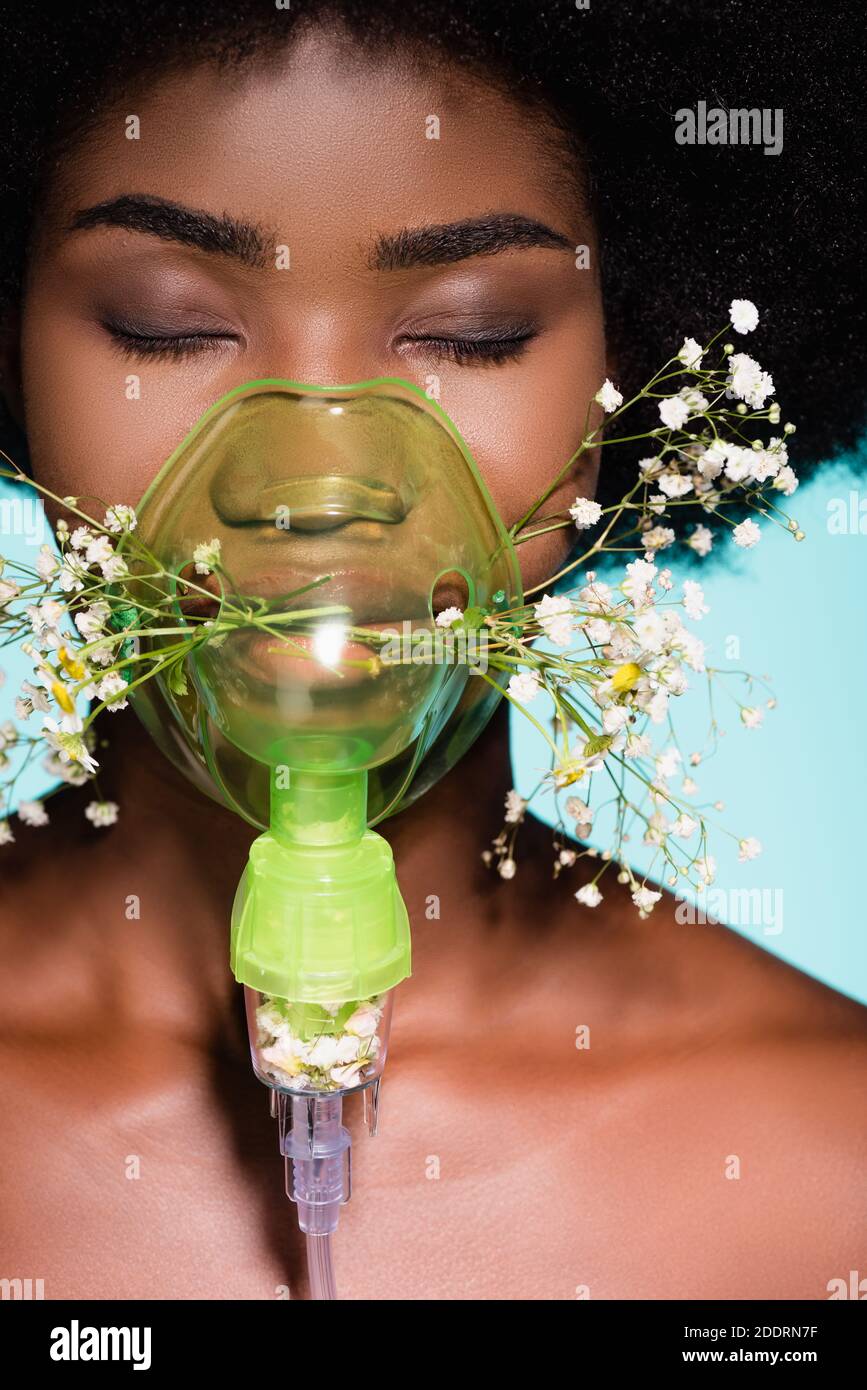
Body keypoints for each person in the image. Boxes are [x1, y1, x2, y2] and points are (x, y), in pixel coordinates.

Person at [0, 1, 864, 1300]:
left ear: (632, 372)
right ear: (8, 355)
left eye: (470, 333)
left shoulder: (830, 1162)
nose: (318, 478)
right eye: (166, 322)